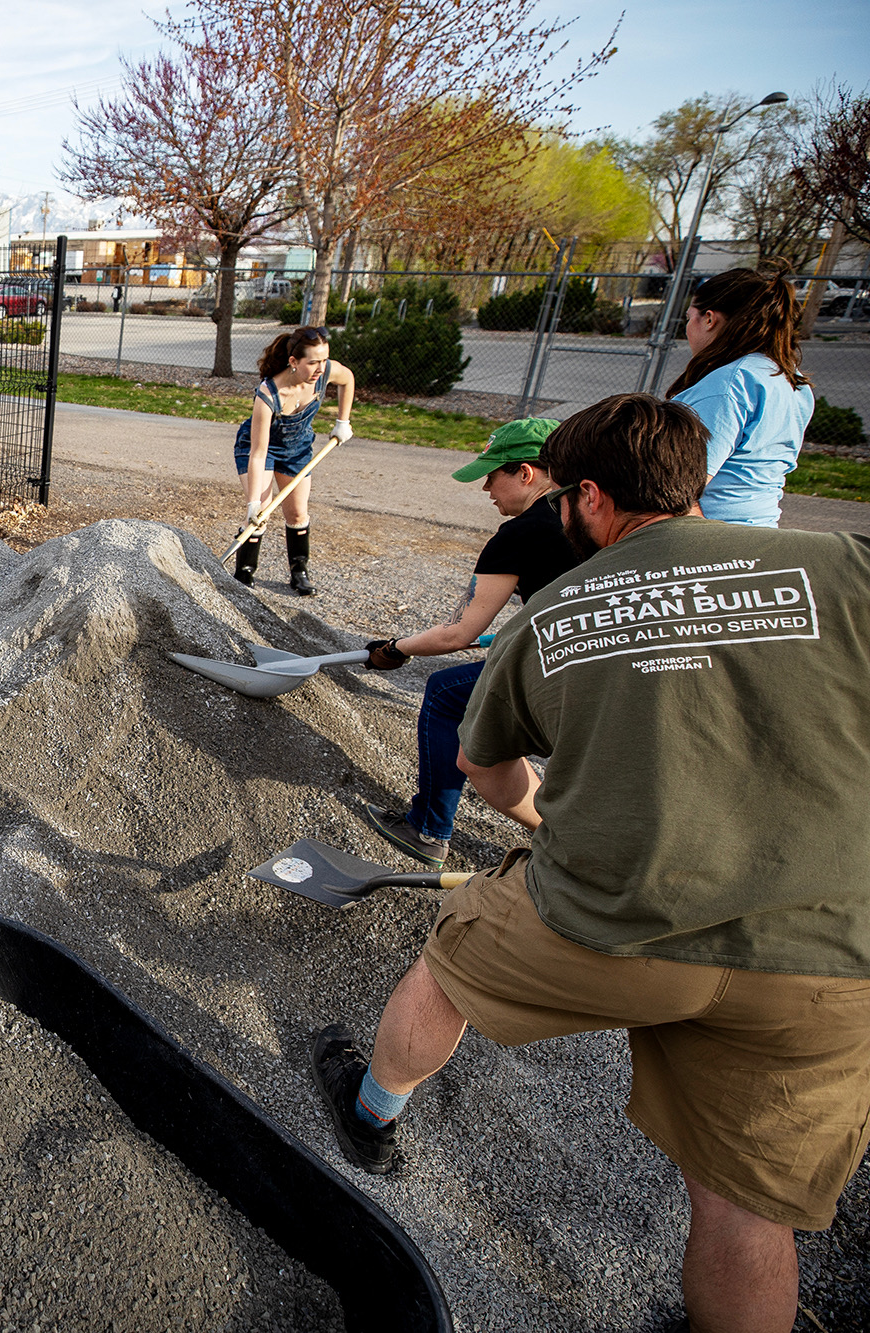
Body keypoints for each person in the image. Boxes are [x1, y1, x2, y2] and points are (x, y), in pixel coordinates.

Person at [310, 392, 870, 1333]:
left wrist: (545, 825)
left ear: (595, 498)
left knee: (446, 963)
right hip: (826, 953)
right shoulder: (843, 566)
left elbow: (484, 768)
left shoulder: (556, 615)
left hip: (609, 921)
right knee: (744, 1205)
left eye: (565, 495)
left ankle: (371, 1116)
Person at [355, 419, 581, 868]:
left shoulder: (521, 533)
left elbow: (458, 633)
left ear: (526, 473)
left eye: (492, 476)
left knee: (445, 694)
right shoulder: (593, 510)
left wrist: (396, 648)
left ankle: (427, 828)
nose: (485, 489)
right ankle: (563, 837)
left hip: (570, 670)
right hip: (618, 651)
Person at [667, 266, 815, 527]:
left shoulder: (729, 385)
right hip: (759, 529)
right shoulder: (791, 378)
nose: (687, 328)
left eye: (689, 318)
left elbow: (677, 488)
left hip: (711, 534)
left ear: (709, 319)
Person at [231, 325, 356, 594]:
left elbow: (347, 379)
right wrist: (253, 503)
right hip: (260, 448)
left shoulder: (325, 372)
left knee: (298, 513)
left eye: (324, 360)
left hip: (297, 449)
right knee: (261, 513)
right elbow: (258, 453)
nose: (321, 368)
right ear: (293, 361)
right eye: (313, 362)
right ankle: (244, 572)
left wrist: (342, 421)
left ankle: (299, 571)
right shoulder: (269, 394)